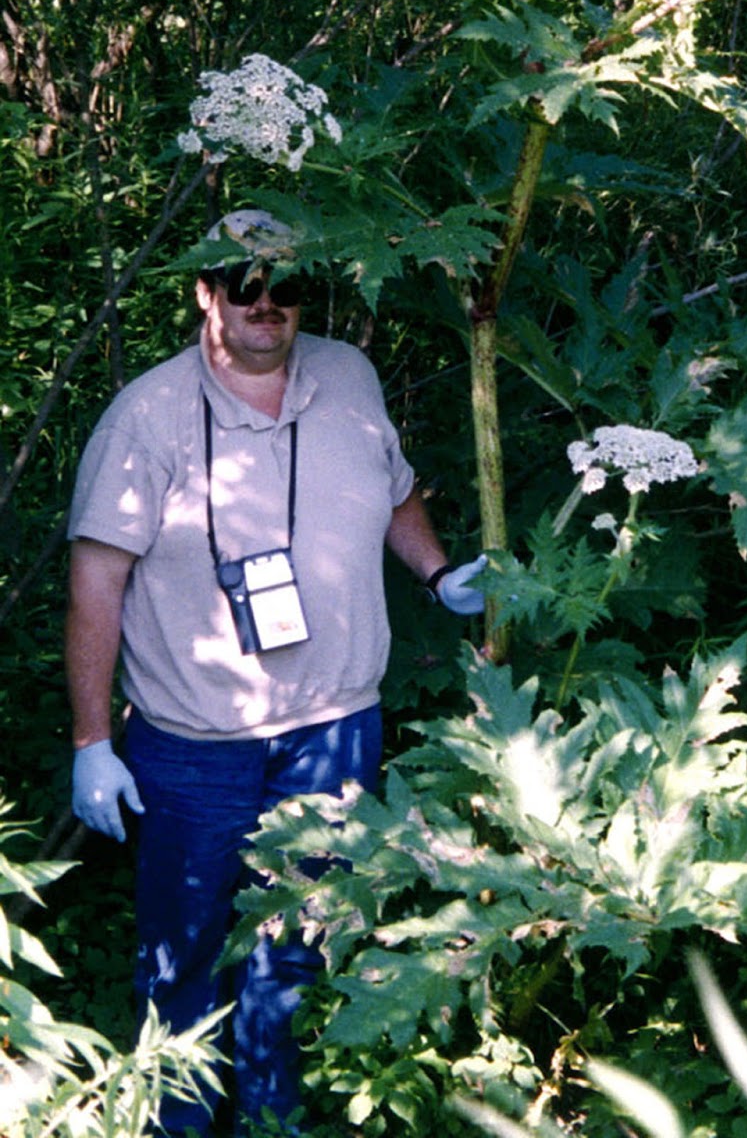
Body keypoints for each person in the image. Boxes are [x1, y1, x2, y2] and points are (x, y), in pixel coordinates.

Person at [65, 209, 486, 1136]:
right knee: (182, 958)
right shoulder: (148, 413)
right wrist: (93, 742)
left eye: (286, 287)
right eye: (243, 286)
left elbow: (396, 488)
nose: (267, 304)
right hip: (194, 745)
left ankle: (270, 1120)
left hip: (337, 729)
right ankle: (175, 1121)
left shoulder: (349, 375)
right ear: (205, 295)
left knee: (298, 943)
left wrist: (438, 571)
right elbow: (96, 581)